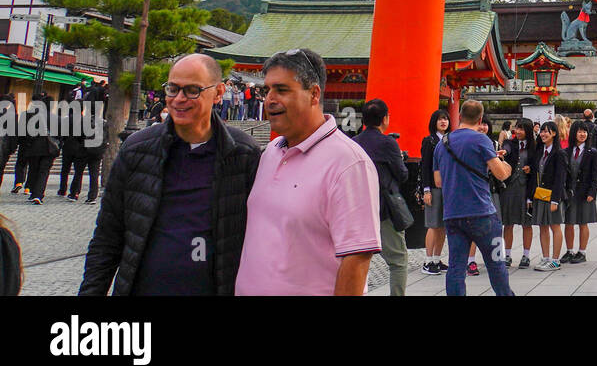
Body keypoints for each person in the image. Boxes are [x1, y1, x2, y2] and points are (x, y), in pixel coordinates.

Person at [81, 54, 260, 295]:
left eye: (192, 90)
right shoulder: (137, 150)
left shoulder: (242, 154)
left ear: (218, 93)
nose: (179, 99)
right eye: (173, 89)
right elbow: (107, 236)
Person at [236, 49, 380, 296]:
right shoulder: (270, 152)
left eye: (281, 90)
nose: (269, 100)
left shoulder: (348, 163)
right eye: (266, 90)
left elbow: (357, 257)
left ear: (314, 94)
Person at [431, 99, 513, 296]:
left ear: (459, 116)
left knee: (456, 268)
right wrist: (504, 163)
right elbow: (501, 174)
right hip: (483, 214)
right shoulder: (481, 140)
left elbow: (438, 181)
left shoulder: (442, 144)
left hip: (453, 215)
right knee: (497, 263)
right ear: (480, 118)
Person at [354, 98, 411, 296]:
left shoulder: (353, 143)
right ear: (385, 119)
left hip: (359, 209)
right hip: (385, 209)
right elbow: (402, 174)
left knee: (357, 259)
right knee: (398, 260)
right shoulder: (388, 143)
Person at [531, 120, 568, 271]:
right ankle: (545, 257)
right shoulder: (540, 151)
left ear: (554, 133)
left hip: (553, 196)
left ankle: (555, 260)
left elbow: (560, 178)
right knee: (543, 227)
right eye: (542, 131)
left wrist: (555, 200)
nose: (543, 134)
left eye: (547, 131)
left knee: (555, 226)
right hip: (541, 195)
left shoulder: (559, 153)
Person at [500, 118, 537, 268]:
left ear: (528, 131)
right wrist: (504, 152)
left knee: (526, 223)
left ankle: (526, 255)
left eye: (522, 129)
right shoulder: (510, 143)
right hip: (509, 188)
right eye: (517, 128)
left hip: (526, 188)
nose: (519, 131)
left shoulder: (534, 147)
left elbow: (537, 167)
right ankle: (507, 255)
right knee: (508, 223)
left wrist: (531, 168)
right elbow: (507, 150)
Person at [562, 120, 597, 263]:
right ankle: (569, 250)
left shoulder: (593, 153)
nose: (582, 134)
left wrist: (592, 193)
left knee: (583, 222)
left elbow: (595, 175)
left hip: (585, 192)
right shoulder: (566, 151)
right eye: (579, 131)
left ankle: (582, 252)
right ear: (574, 133)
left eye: (584, 131)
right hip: (569, 192)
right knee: (569, 222)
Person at [419, 109, 451, 275]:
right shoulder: (429, 141)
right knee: (433, 225)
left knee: (443, 226)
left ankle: (437, 259)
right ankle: (428, 260)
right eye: (440, 119)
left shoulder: (449, 140)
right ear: (434, 122)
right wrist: (426, 190)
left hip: (447, 187)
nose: (443, 122)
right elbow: (424, 166)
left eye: (445, 119)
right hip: (433, 187)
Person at [20, 96, 58, 204]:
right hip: (50, 149)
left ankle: (33, 193)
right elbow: (61, 135)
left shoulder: (34, 117)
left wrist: (29, 142)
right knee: (43, 172)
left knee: (34, 170)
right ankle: (38, 194)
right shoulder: (56, 118)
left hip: (35, 148)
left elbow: (28, 133)